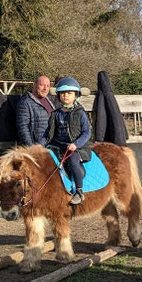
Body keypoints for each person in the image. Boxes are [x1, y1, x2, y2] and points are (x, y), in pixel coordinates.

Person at [45, 77, 91, 205]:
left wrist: (76, 144)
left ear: (76, 96)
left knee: (73, 162)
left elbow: (87, 133)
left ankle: (79, 191)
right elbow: (49, 133)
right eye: (62, 93)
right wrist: (40, 145)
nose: (65, 96)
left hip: (75, 147)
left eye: (69, 93)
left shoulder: (80, 114)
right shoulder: (55, 114)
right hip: (57, 145)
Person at [15, 75, 56, 146]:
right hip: (37, 146)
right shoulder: (25, 103)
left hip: (51, 144)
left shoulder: (48, 101)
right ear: (34, 85)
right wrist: (31, 147)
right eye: (42, 85)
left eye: (48, 86)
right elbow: (23, 128)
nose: (45, 88)